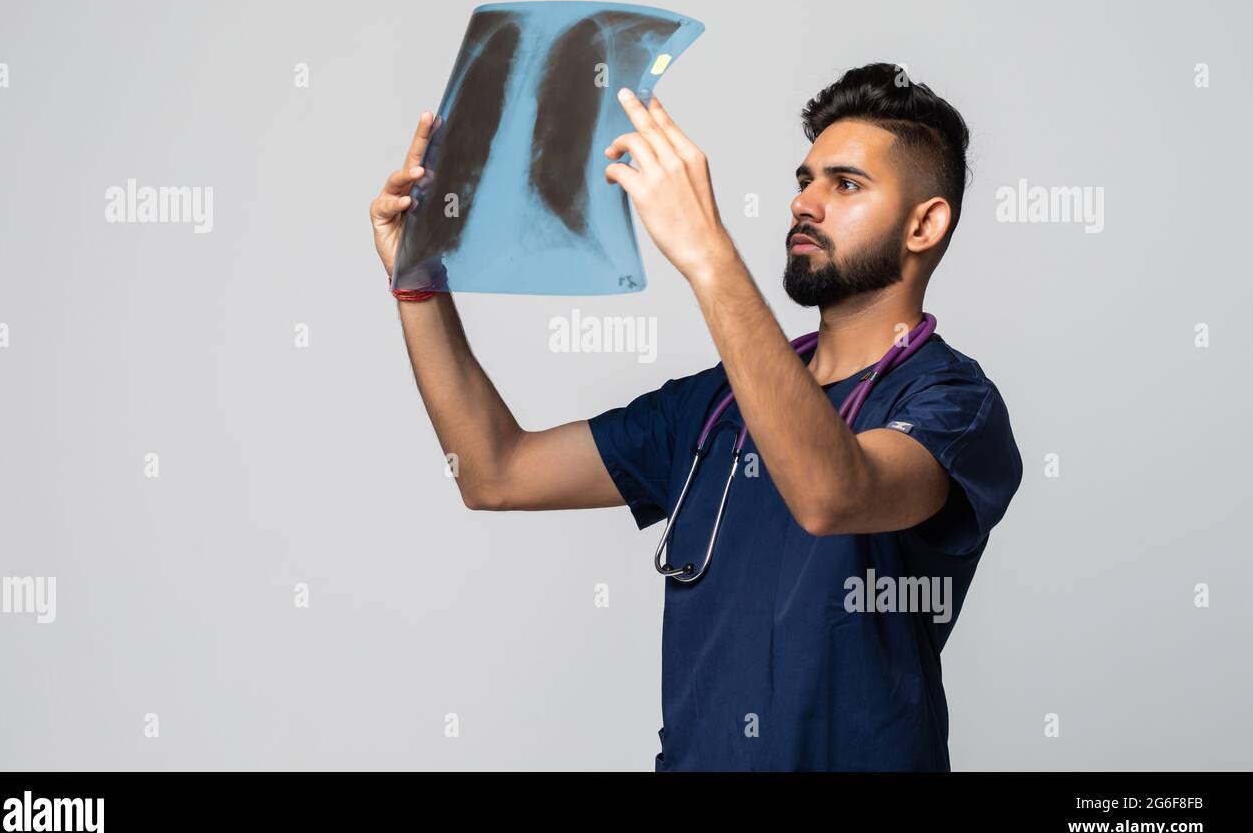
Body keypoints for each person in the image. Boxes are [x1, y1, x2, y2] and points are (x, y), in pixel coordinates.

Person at [369, 62, 1023, 771]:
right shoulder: (713, 407)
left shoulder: (952, 403)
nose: (805, 204)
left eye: (846, 184)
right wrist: (419, 287)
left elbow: (831, 492)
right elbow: (494, 472)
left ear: (925, 223)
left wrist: (709, 255)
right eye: (804, 180)